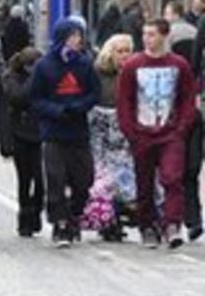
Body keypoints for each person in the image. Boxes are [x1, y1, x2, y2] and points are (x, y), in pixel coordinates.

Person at [117, 19, 199, 249]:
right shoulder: (133, 65)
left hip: (171, 133)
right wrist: (131, 131)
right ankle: (147, 225)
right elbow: (124, 101)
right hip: (142, 133)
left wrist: (182, 127)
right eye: (144, 34)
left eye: (152, 34)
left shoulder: (178, 65)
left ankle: (172, 223)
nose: (147, 39)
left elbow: (187, 99)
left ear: (164, 36)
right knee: (144, 184)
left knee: (172, 178)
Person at [29, 17, 99, 248]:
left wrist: (79, 106)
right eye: (74, 36)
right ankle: (59, 223)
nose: (79, 40)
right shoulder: (45, 66)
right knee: (55, 179)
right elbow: (35, 98)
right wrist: (56, 110)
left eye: (80, 35)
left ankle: (73, 214)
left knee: (84, 180)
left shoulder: (85, 64)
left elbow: (93, 93)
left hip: (78, 132)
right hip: (53, 132)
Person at [81, 34, 137, 242]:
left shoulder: (134, 71)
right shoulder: (98, 73)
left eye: (127, 50)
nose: (124, 55)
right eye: (119, 51)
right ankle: (108, 219)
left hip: (126, 130)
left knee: (126, 174)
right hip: (101, 129)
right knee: (104, 176)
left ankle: (125, 214)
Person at [0, 47, 45, 237]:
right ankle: (24, 216)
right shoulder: (11, 78)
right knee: (25, 179)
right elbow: (18, 98)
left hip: (40, 133)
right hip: (21, 134)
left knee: (41, 180)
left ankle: (35, 212)